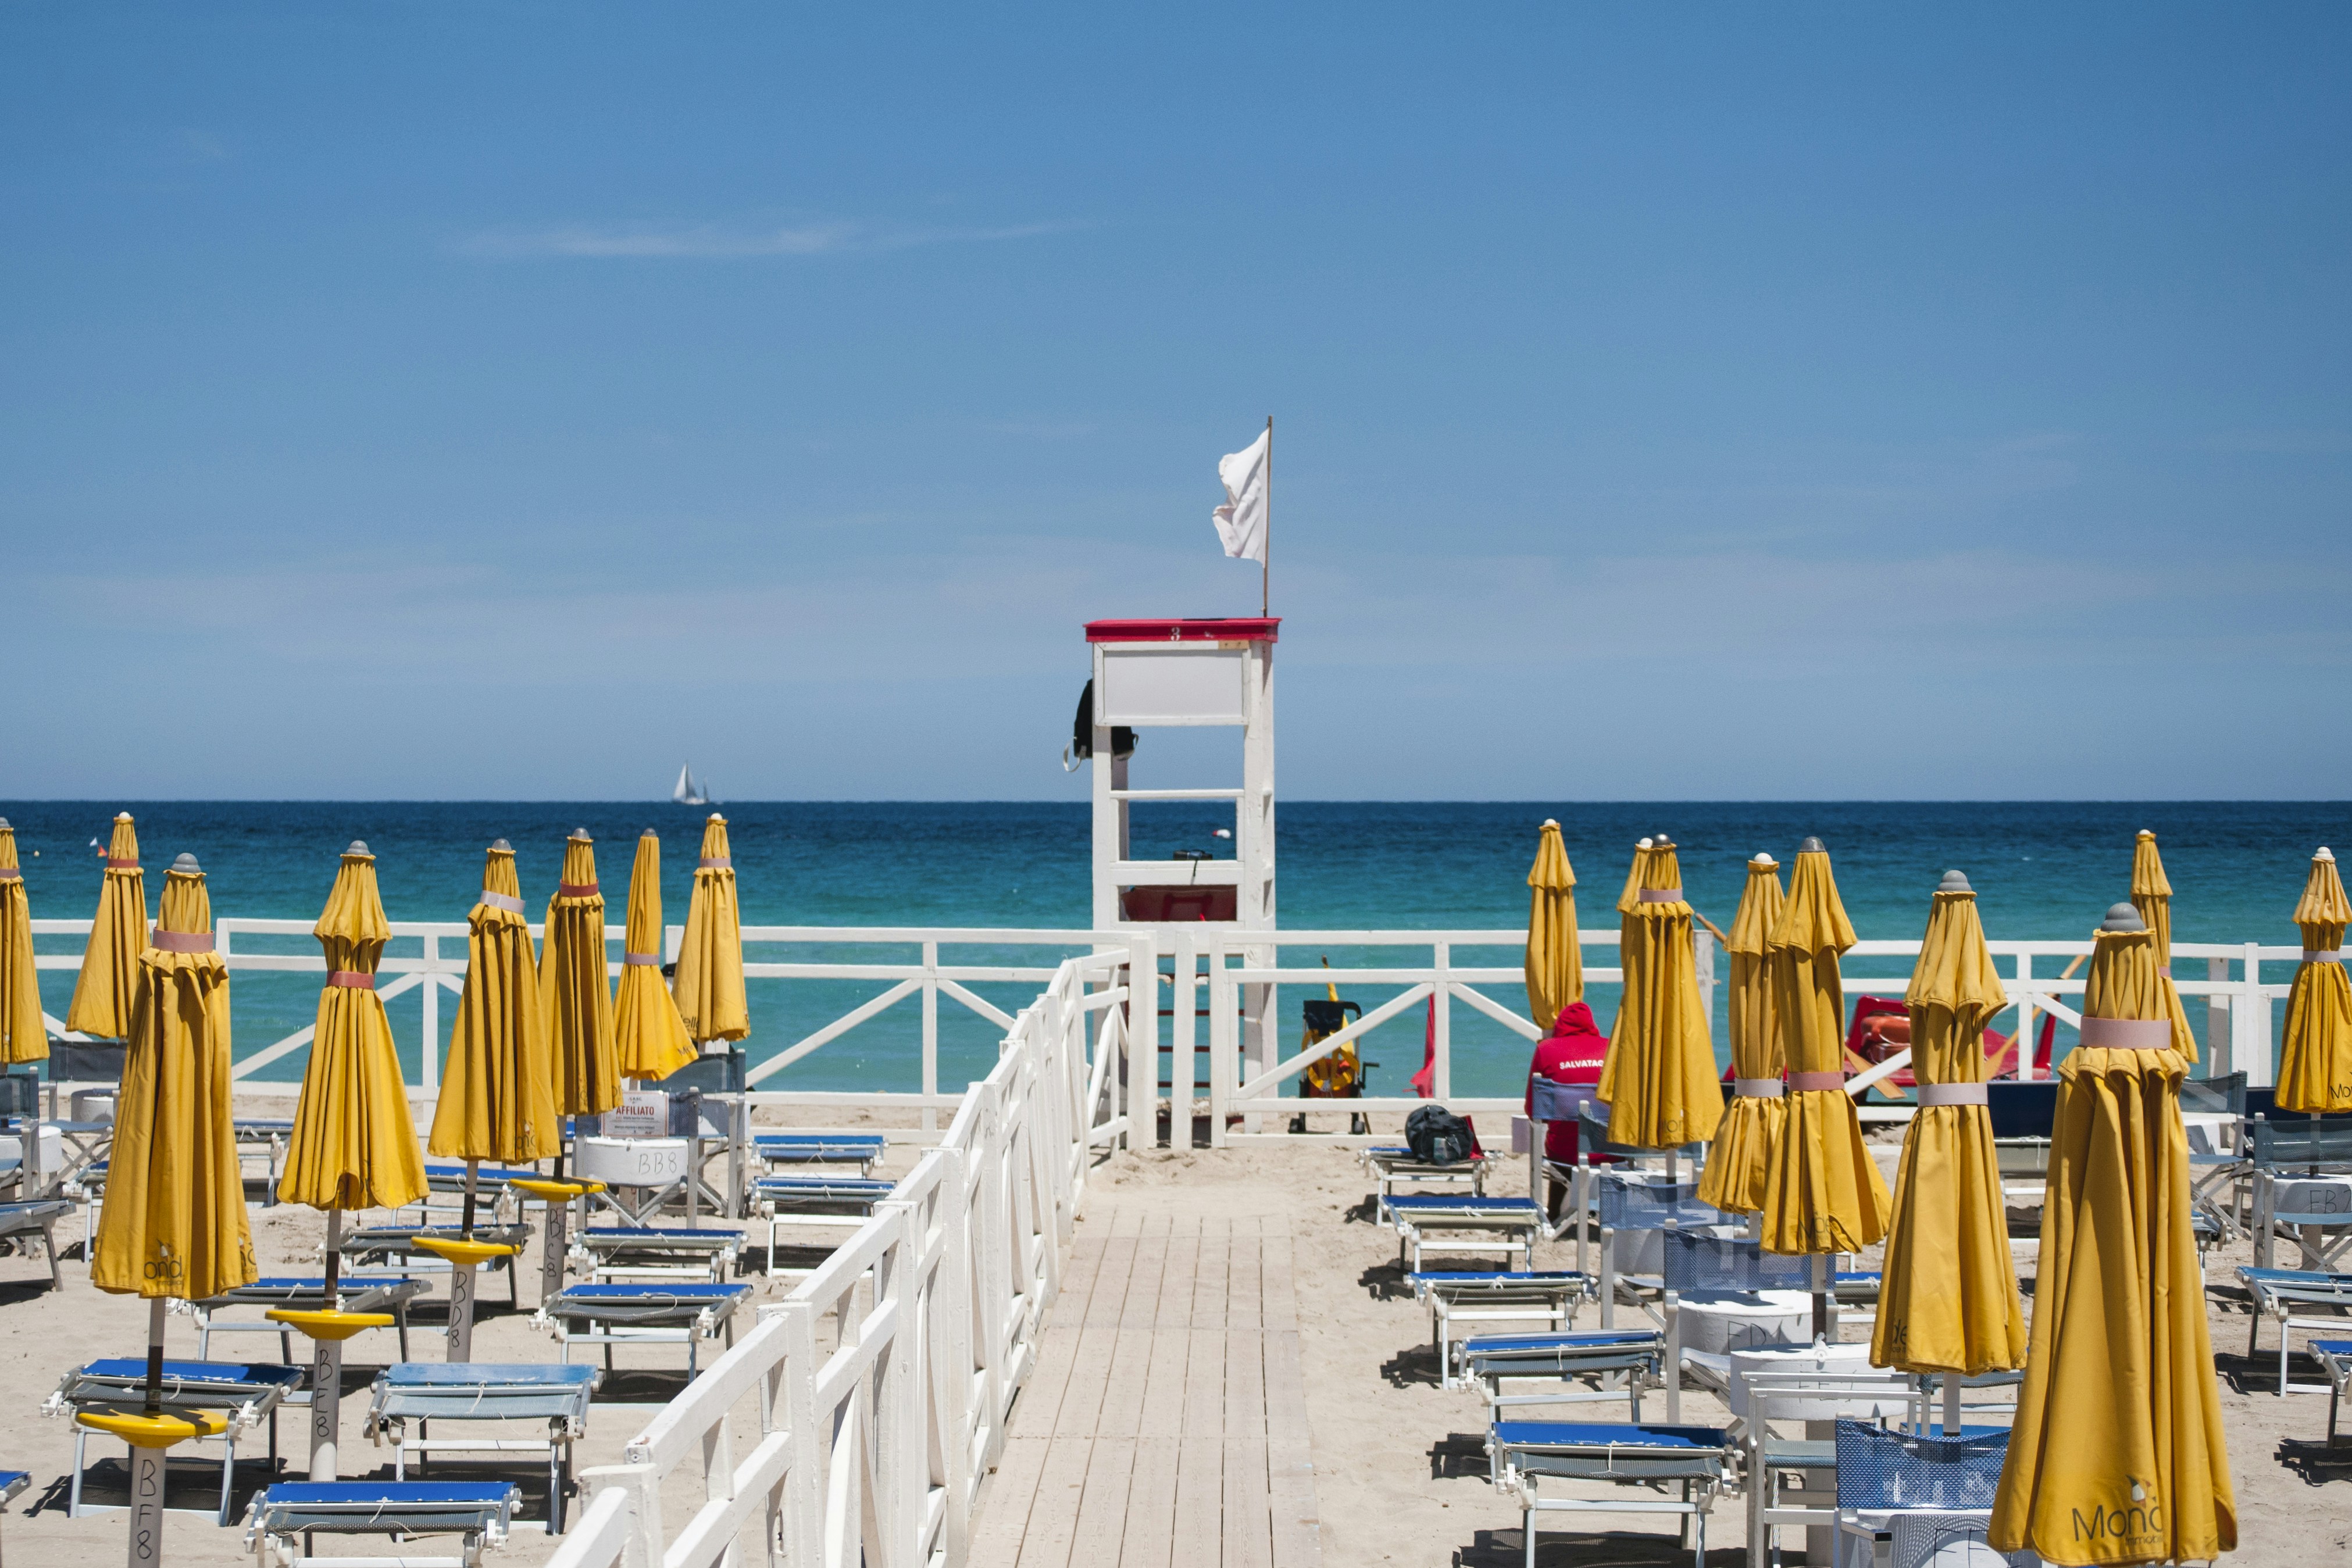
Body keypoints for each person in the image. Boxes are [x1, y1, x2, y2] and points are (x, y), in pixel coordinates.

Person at [1525, 1001, 1613, 1222]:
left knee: (1563, 1135)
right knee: (1575, 1132)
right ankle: (1611, 1213)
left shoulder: (1546, 1049)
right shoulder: (1613, 1048)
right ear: (1593, 1025)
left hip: (1565, 1155)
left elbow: (1533, 1109)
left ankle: (1554, 1213)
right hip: (1613, 1154)